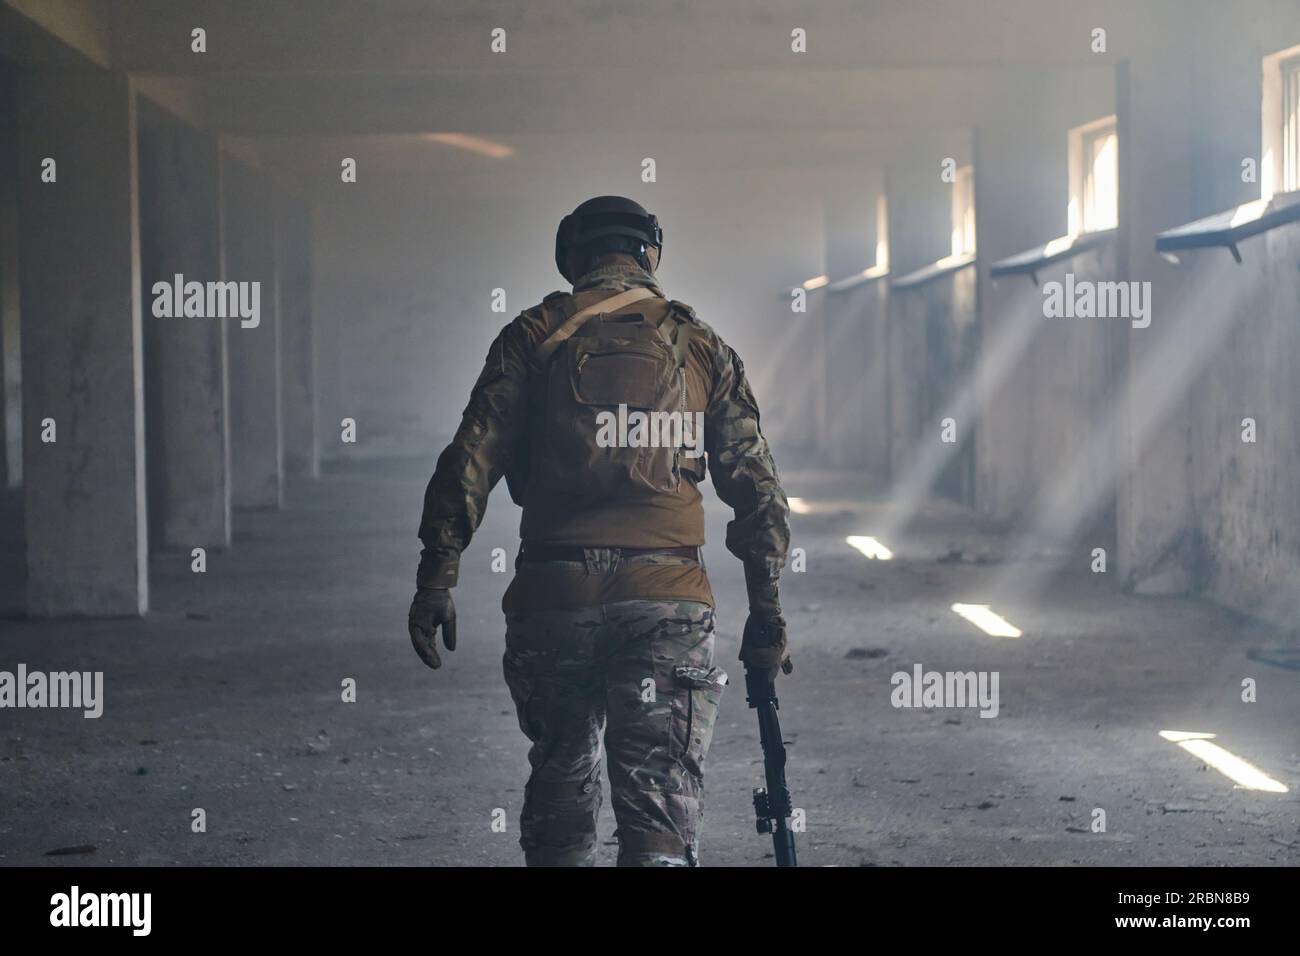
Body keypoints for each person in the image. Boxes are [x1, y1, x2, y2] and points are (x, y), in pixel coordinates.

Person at [408, 195, 791, 866]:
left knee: (560, 774)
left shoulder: (533, 336)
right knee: (660, 794)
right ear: (652, 255)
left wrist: (438, 576)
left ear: (571, 258)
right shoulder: (700, 345)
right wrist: (768, 610)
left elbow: (470, 458)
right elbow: (756, 487)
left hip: (555, 597)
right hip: (668, 600)